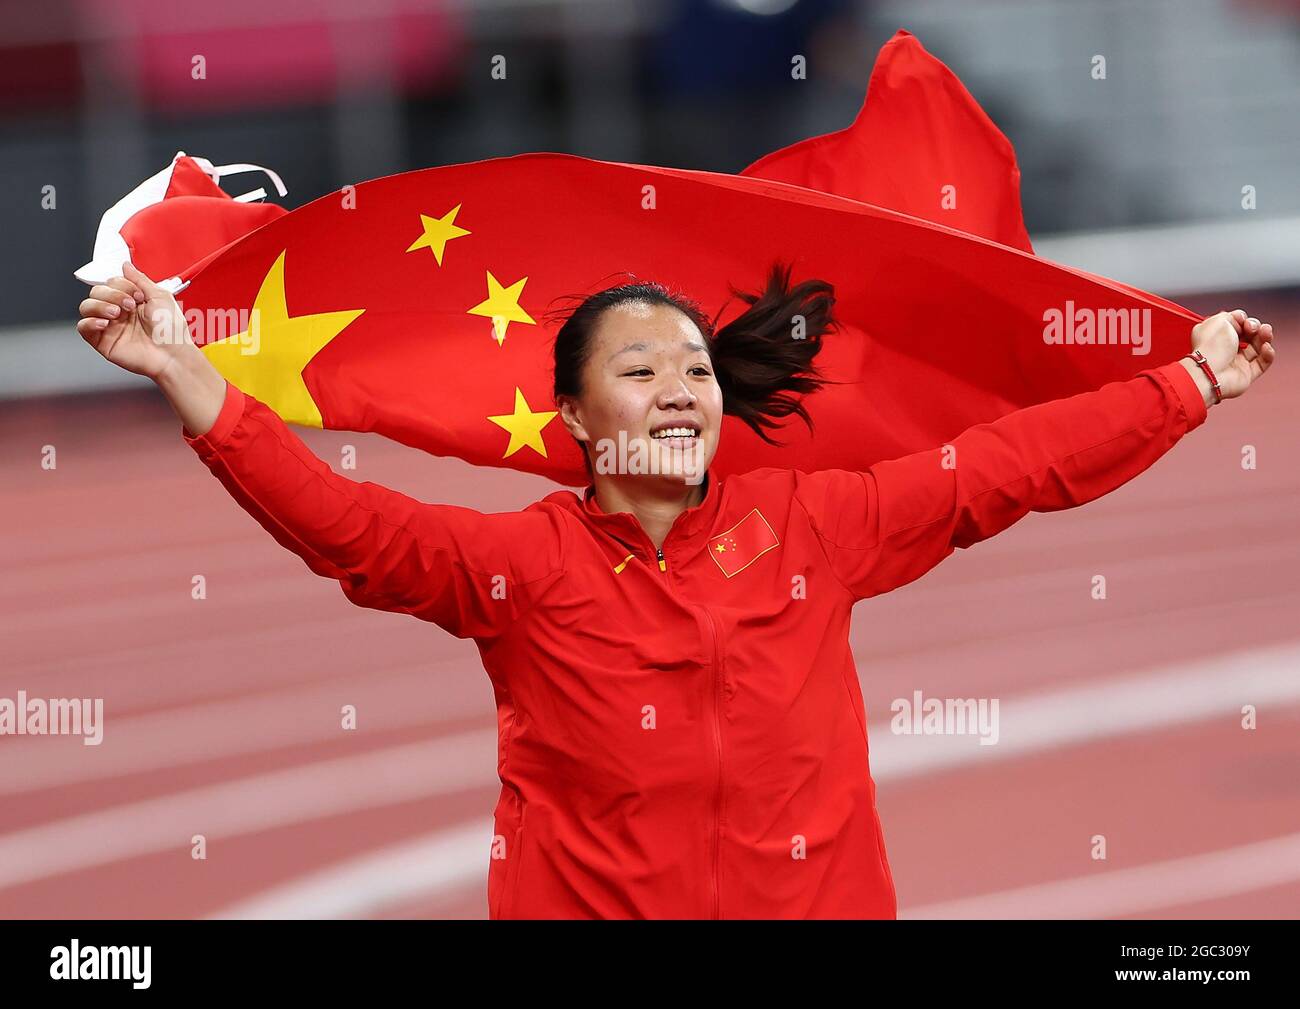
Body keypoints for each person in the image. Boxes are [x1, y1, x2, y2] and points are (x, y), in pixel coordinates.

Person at [77, 259, 1275, 919]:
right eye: (638, 369)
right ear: (575, 419)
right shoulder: (523, 568)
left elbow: (1004, 471)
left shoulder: (813, 524)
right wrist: (189, 377)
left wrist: (1187, 387)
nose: (679, 389)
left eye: (696, 368)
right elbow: (347, 526)